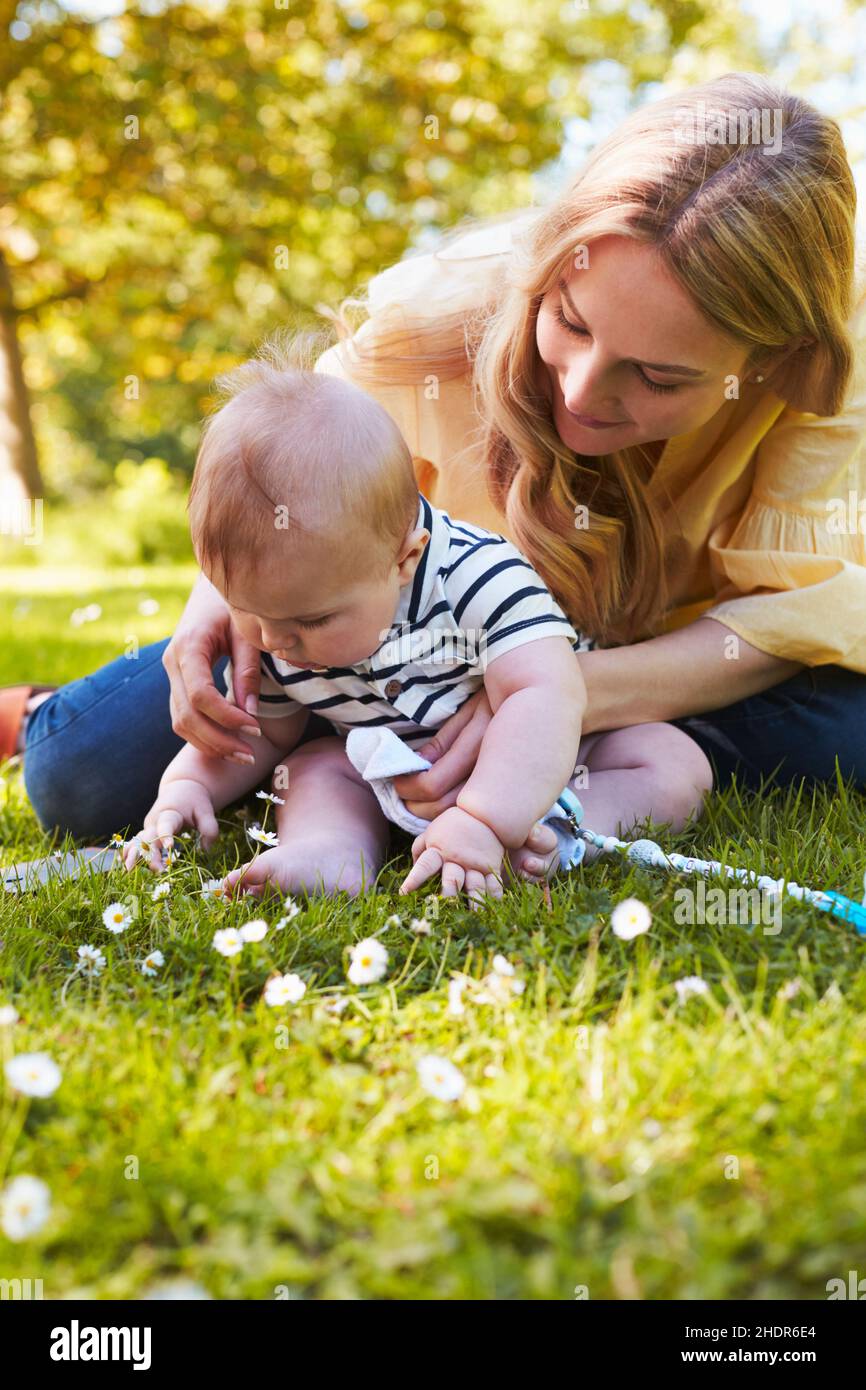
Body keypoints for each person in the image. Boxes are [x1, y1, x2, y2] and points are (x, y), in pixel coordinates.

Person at [15, 72, 866, 885]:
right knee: (77, 779)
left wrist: (535, 700)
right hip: (374, 631)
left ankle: (546, 794)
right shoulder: (453, 299)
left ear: (774, 358)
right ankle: (45, 710)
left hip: (642, 664)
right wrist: (226, 602)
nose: (579, 390)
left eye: (659, 377)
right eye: (568, 323)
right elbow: (291, 466)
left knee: (845, 730)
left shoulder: (827, 369)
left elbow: (790, 615)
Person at [120, 340, 711, 900]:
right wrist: (187, 786)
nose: (275, 642)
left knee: (670, 762)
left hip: (549, 763)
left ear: (403, 560)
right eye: (246, 611)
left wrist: (484, 816)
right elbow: (263, 733)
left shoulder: (479, 576)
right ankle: (330, 850)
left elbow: (546, 693)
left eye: (312, 620)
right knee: (311, 767)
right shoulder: (279, 623)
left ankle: (548, 835)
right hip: (390, 774)